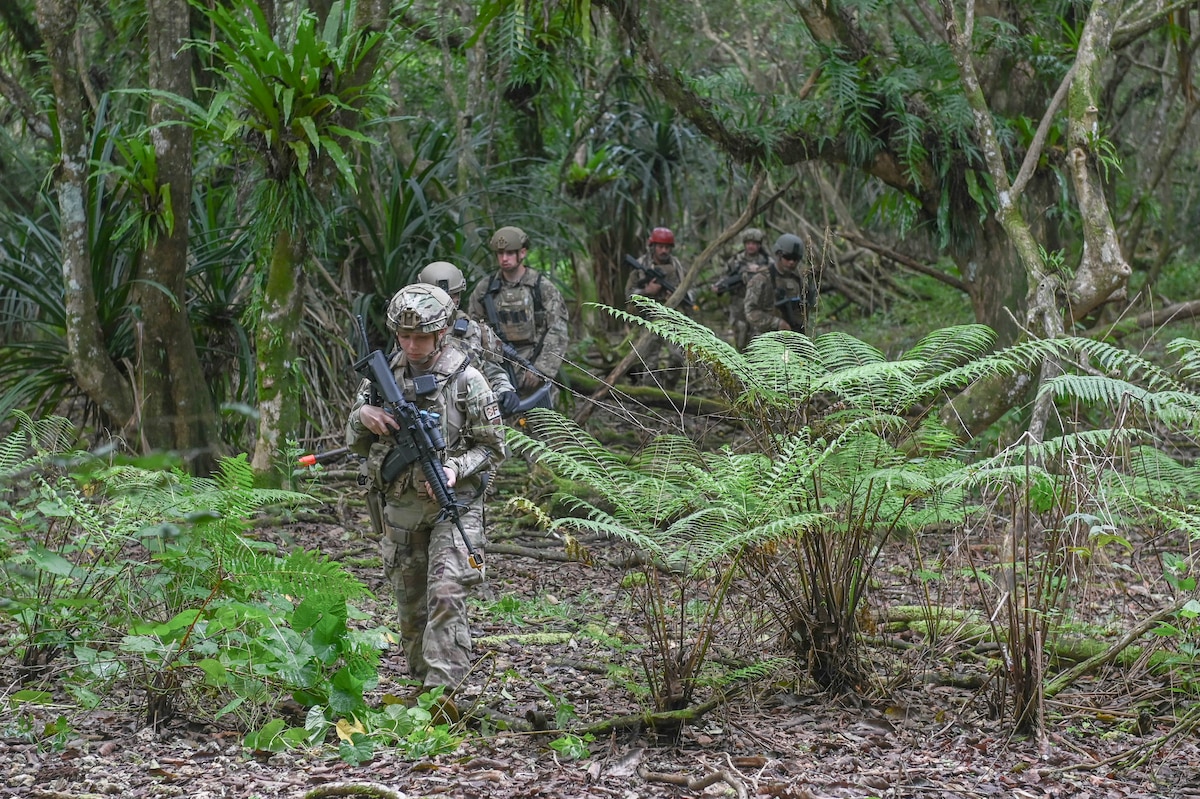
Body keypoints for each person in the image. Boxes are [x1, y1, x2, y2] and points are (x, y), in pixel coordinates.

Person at [345, 283, 506, 705]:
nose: (411, 345)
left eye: (421, 337)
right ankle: (421, 687)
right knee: (410, 604)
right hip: (399, 506)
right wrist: (365, 415)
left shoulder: (467, 380)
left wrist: (455, 466)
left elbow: (493, 447)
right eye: (404, 336)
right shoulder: (381, 376)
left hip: (454, 508)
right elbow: (352, 438)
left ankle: (443, 697)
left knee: (447, 593)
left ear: (442, 333)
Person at [467, 227, 570, 410]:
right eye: (500, 253)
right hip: (498, 371)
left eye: (509, 253)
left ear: (522, 253)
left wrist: (542, 369)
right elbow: (473, 332)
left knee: (544, 429)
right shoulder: (485, 289)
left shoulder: (541, 288)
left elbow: (558, 330)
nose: (504, 258)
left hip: (533, 366)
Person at [418, 260, 521, 417]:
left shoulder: (474, 331)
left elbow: (492, 371)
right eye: (437, 297)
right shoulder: (411, 334)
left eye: (452, 296)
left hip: (470, 415)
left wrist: (505, 391)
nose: (446, 302)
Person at [623, 226, 693, 389]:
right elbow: (629, 295)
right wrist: (646, 291)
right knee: (649, 359)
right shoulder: (640, 265)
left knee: (678, 356)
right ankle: (651, 394)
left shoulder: (678, 267)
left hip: (671, 317)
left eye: (667, 247)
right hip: (647, 317)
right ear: (653, 246)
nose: (664, 250)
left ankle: (669, 389)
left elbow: (689, 289)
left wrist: (677, 297)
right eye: (660, 246)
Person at [743, 233, 818, 339]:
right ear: (779, 255)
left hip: (795, 337)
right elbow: (750, 312)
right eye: (787, 257)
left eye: (795, 258)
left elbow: (809, 307)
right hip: (767, 338)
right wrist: (777, 323)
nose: (791, 262)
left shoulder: (800, 279)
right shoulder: (761, 279)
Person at [712, 227, 773, 349]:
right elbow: (725, 277)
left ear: (759, 245)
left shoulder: (767, 261)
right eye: (748, 243)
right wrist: (719, 287)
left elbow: (774, 278)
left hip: (759, 305)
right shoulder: (735, 261)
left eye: (754, 243)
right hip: (739, 304)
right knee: (741, 337)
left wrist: (759, 272)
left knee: (759, 340)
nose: (751, 246)